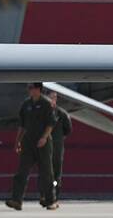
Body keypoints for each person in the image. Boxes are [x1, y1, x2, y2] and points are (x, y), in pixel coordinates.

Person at [7, 82, 57, 211]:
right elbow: (22, 125)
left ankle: (51, 201)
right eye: (28, 88)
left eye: (32, 88)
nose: (29, 90)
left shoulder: (46, 104)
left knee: (46, 173)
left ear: (38, 89)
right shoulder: (26, 104)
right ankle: (16, 200)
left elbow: (51, 123)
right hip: (28, 143)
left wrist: (44, 138)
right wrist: (17, 141)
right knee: (21, 172)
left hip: (43, 144)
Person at [47, 90, 72, 201]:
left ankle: (55, 195)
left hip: (57, 149)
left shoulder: (61, 114)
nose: (52, 100)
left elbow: (68, 129)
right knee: (45, 173)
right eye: (50, 97)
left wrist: (58, 139)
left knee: (56, 174)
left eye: (54, 97)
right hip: (44, 148)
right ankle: (45, 195)